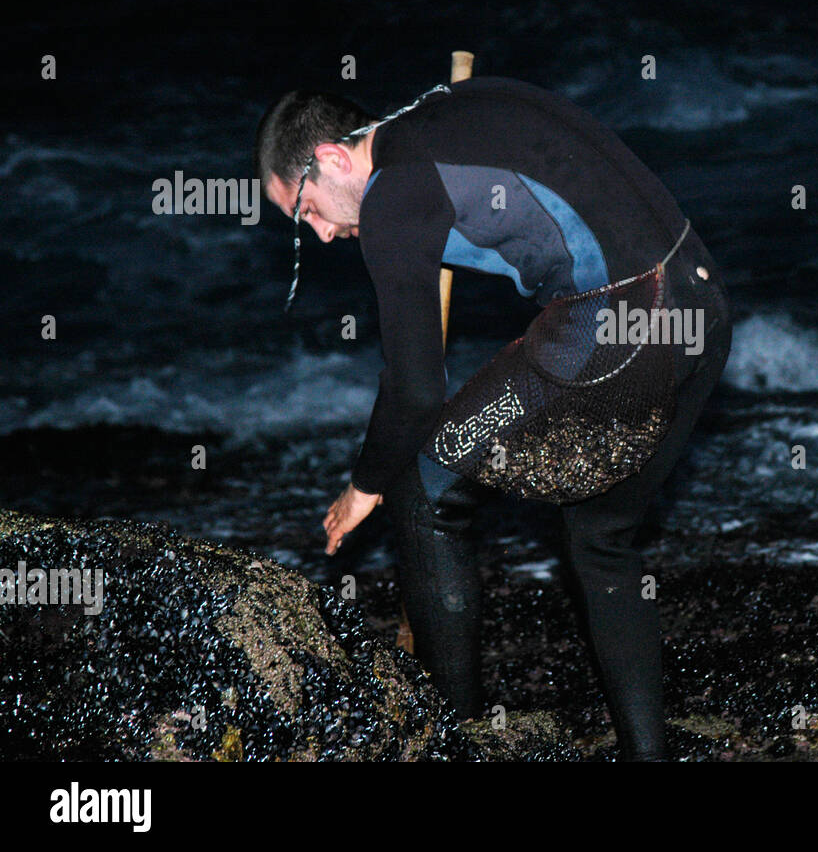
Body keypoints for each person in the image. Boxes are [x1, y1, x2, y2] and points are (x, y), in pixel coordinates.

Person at [254, 75, 732, 761]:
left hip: (623, 323)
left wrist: (364, 485)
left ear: (330, 158)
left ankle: (454, 744)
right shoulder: (449, 110)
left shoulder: (393, 192)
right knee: (600, 538)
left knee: (421, 487)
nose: (323, 235)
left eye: (304, 213)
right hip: (702, 306)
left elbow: (416, 391)